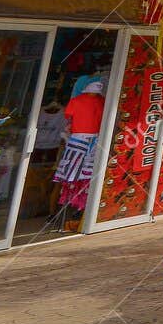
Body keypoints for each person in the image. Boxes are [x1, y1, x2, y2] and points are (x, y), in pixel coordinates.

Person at [52, 77, 106, 228]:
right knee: (79, 176)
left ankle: (77, 209)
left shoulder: (81, 101)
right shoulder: (99, 101)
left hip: (81, 141)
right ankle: (75, 209)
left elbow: (68, 119)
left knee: (76, 176)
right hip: (89, 141)